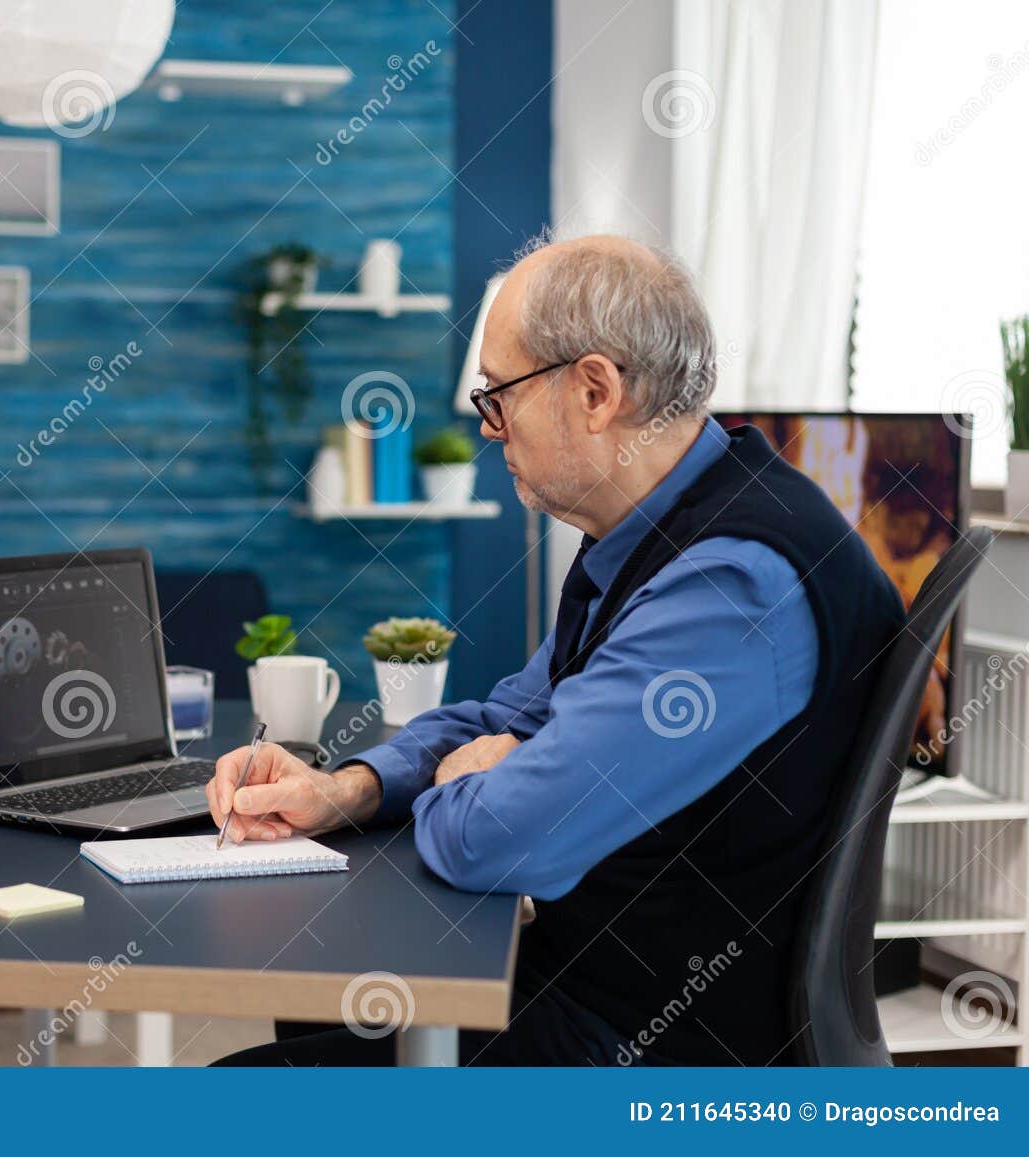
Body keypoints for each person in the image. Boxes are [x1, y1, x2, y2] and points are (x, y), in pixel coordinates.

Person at [208, 234, 906, 1066]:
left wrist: (475, 777)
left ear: (595, 390)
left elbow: (496, 838)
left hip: (658, 1053)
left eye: (498, 397)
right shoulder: (651, 535)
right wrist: (348, 788)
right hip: (598, 993)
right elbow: (506, 714)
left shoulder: (730, 590)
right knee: (322, 1009)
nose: (489, 431)